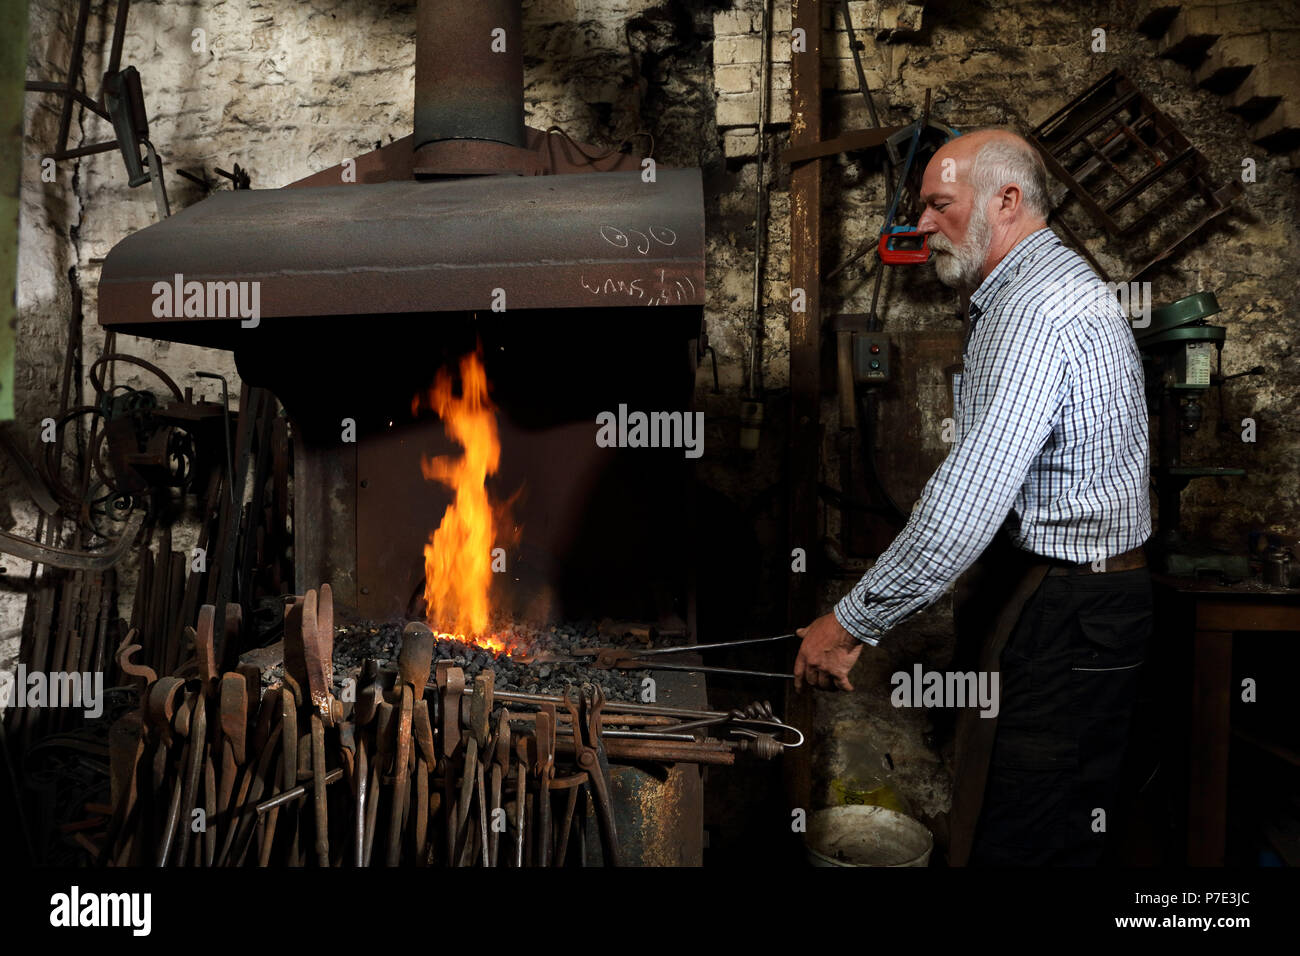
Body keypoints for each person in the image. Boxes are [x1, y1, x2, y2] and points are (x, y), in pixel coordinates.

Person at [792, 128, 1153, 865]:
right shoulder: (1019, 294)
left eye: (939, 205)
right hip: (1053, 598)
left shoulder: (1038, 307)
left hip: (1072, 614)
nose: (922, 224)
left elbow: (968, 501)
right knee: (1016, 818)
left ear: (1007, 201)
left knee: (1030, 839)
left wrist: (850, 622)